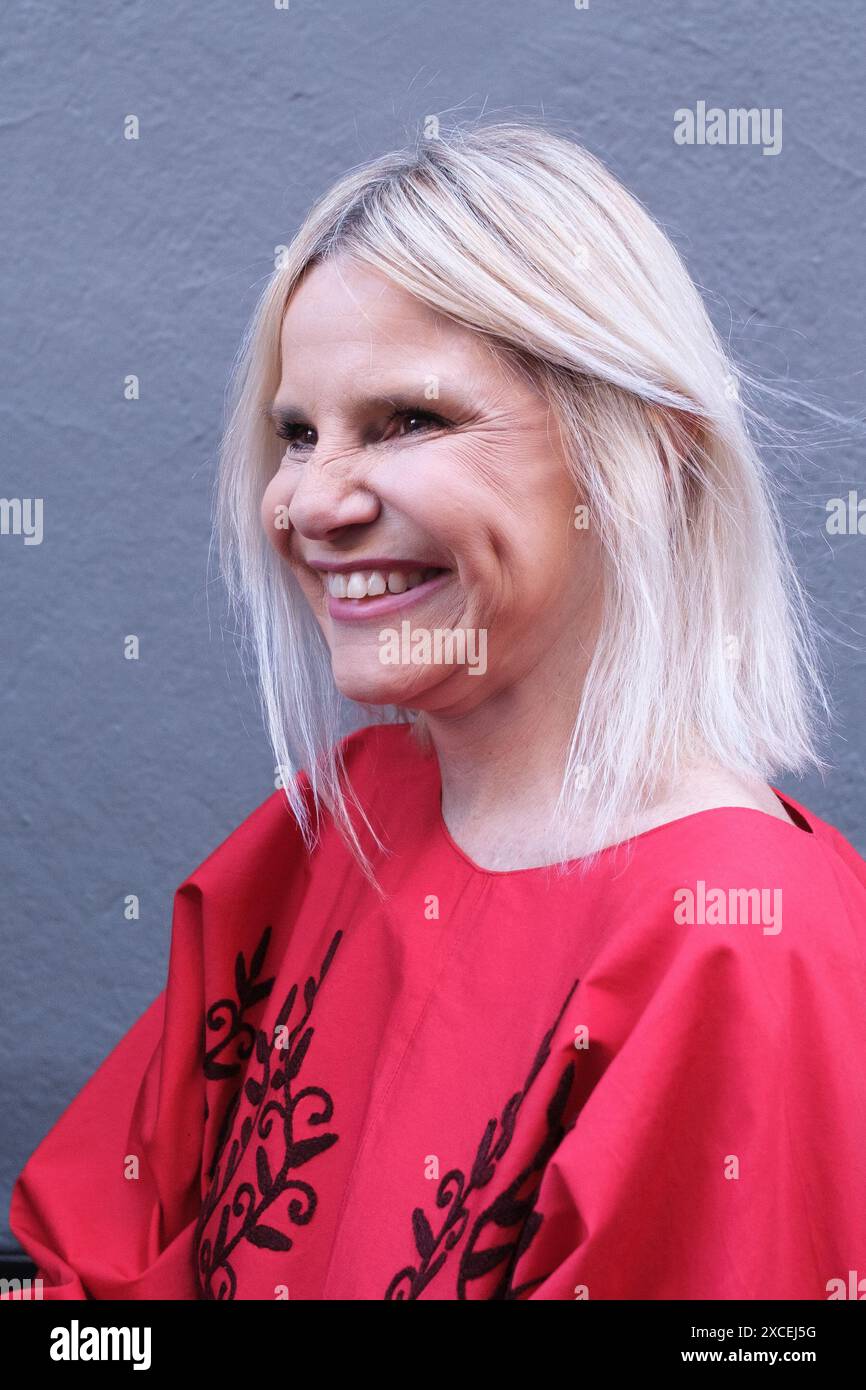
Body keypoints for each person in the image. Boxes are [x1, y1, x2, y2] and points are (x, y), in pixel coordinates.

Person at [7, 122, 866, 1300]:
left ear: (647, 459)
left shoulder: (740, 944)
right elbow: (94, 1267)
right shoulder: (342, 816)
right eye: (296, 433)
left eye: (409, 420)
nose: (310, 501)